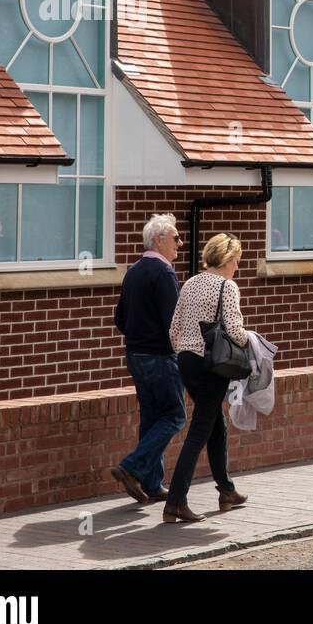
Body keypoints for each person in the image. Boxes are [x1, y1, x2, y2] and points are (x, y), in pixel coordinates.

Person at [163, 233, 251, 523]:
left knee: (216, 423)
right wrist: (252, 339)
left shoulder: (190, 283)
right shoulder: (227, 287)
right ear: (227, 259)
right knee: (200, 429)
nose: (238, 266)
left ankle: (226, 489)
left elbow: (174, 329)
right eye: (236, 260)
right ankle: (175, 502)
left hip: (186, 361)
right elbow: (235, 332)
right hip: (213, 364)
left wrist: (187, 349)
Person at [110, 214, 186, 504]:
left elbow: (120, 318)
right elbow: (174, 323)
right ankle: (131, 467)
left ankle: (153, 484)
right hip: (160, 357)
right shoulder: (164, 273)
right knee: (175, 416)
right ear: (159, 239)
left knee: (152, 417)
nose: (180, 243)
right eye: (175, 238)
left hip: (135, 355)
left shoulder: (134, 271)